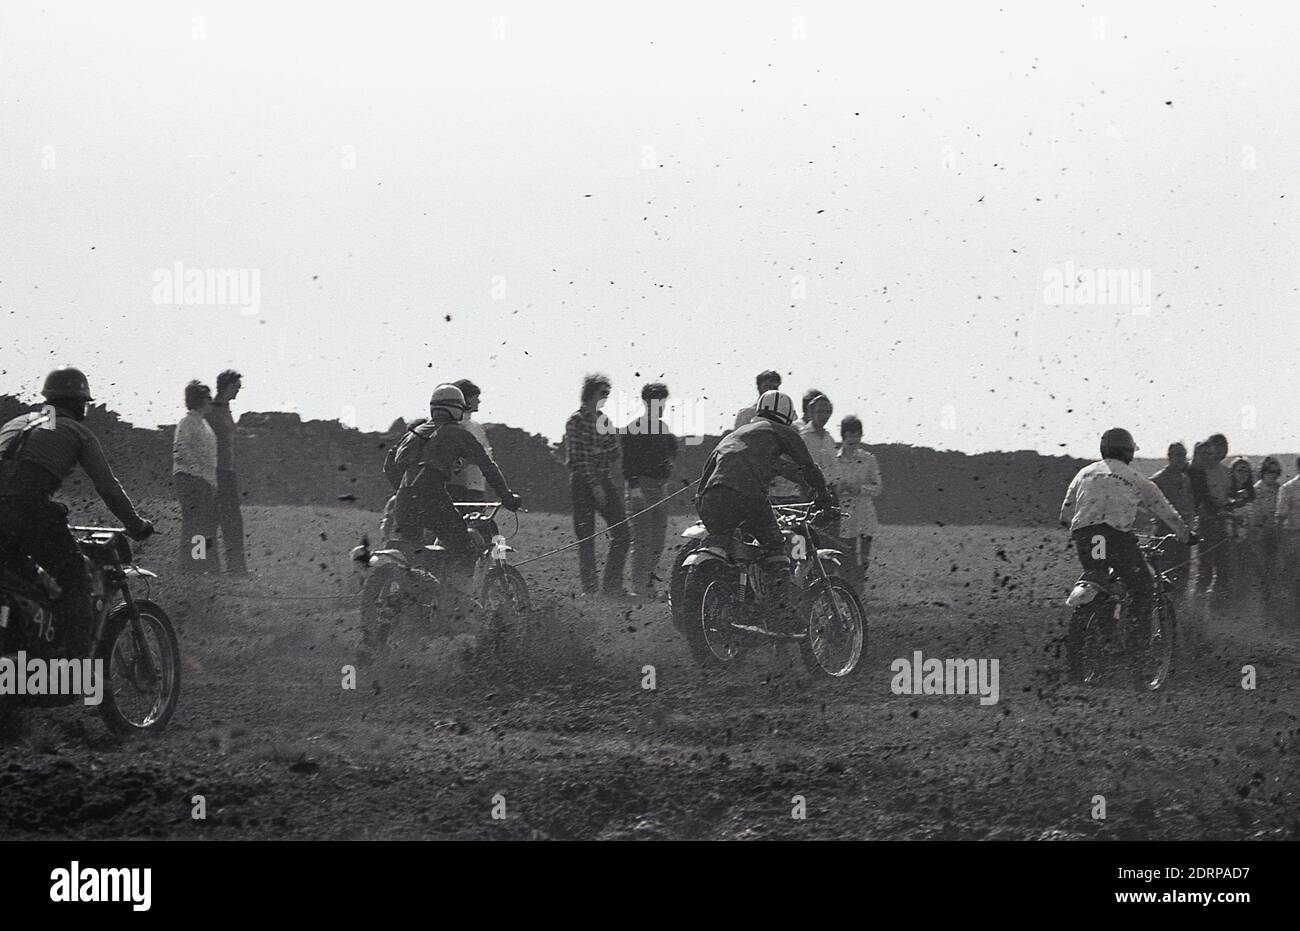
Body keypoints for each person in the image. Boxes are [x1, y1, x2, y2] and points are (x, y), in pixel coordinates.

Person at [0, 367, 153, 662]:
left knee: (24, 582)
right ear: (80, 403)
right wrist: (135, 525)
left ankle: (27, 656)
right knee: (76, 580)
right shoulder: (79, 432)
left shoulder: (15, 423)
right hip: (30, 512)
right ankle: (72, 665)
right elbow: (107, 486)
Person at [695, 390, 834, 626]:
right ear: (788, 416)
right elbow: (808, 467)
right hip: (747, 496)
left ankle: (734, 597)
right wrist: (824, 498)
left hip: (710, 497)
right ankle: (781, 610)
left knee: (731, 546)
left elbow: (706, 473)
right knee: (775, 545)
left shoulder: (735, 435)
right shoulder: (782, 431)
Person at [1059, 428, 1191, 642]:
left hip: (1085, 538)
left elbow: (1065, 516)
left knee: (1101, 578)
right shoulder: (1136, 478)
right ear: (1129, 452)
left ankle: (1103, 635)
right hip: (1117, 539)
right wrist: (1186, 535)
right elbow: (1166, 512)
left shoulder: (1084, 473)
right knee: (1143, 588)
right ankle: (1136, 652)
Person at [390, 384, 521, 598]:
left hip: (403, 501)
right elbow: (486, 465)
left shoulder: (415, 433)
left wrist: (405, 489)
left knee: (415, 555)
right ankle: (458, 607)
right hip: (431, 497)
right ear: (456, 409)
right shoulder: (457, 433)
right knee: (464, 547)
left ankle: (419, 605)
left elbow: (390, 465)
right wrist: (506, 496)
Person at [564, 374, 631, 596]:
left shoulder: (604, 421)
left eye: (607, 394)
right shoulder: (576, 420)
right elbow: (580, 458)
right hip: (583, 482)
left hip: (603, 478)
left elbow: (614, 453)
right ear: (590, 393)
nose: (605, 398)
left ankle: (611, 587)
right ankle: (590, 591)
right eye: (602, 393)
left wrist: (599, 452)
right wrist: (595, 485)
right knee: (586, 538)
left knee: (623, 533)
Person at [621, 382, 677, 599]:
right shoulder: (634, 428)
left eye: (662, 401)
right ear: (646, 402)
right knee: (642, 540)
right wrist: (634, 488)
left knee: (658, 541)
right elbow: (628, 463)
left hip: (659, 488)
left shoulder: (664, 429)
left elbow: (671, 453)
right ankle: (639, 587)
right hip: (640, 487)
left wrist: (667, 472)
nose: (660, 405)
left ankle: (649, 584)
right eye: (655, 401)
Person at [204, 369, 248, 574]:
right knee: (209, 523)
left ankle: (237, 570)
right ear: (227, 386)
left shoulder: (226, 409)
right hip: (214, 473)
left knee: (233, 523)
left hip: (228, 472)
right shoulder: (211, 411)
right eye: (236, 387)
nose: (238, 391)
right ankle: (204, 567)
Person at [173, 380, 218, 573]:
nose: (211, 401)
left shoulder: (204, 424)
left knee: (204, 523)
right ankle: (192, 564)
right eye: (208, 398)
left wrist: (210, 480)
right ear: (199, 400)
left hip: (204, 480)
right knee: (195, 524)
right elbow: (180, 450)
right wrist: (199, 473)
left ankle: (201, 562)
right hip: (190, 479)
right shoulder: (187, 422)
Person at [835, 415, 882, 593]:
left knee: (863, 559)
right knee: (845, 558)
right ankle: (845, 591)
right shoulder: (834, 459)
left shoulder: (869, 459)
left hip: (864, 516)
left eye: (857, 435)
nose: (854, 439)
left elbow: (877, 488)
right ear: (843, 436)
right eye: (850, 435)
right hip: (844, 517)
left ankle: (858, 591)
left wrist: (860, 489)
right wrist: (840, 488)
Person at [1147, 442, 1195, 595]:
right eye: (1178, 455)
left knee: (1183, 575)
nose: (1182, 459)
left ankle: (1180, 613)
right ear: (1169, 457)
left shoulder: (1185, 478)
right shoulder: (1158, 479)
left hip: (1184, 532)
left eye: (1184, 455)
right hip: (1165, 532)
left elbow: (1189, 503)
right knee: (1165, 575)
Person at [1189, 435, 1232, 598]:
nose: (1221, 450)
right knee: (1204, 570)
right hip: (1206, 523)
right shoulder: (1200, 471)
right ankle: (1196, 608)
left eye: (1224, 446)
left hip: (1224, 523)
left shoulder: (1226, 471)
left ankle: (1219, 608)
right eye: (1218, 446)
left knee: (1224, 569)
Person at [1247, 457, 1283, 617]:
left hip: (1277, 538)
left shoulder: (1280, 489)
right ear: (1263, 472)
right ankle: (1264, 616)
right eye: (1270, 472)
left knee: (1278, 577)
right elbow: (1254, 518)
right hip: (1260, 539)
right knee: (1264, 578)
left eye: (1276, 472)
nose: (1273, 475)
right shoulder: (1256, 490)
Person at [446, 379, 491, 504]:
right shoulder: (457, 425)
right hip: (460, 487)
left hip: (476, 487)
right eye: (475, 397)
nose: (479, 401)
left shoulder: (476, 426)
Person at [1275, 458, 1300, 615]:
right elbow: (1280, 518)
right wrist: (1280, 547)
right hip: (1294, 537)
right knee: (1293, 580)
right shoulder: (1288, 488)